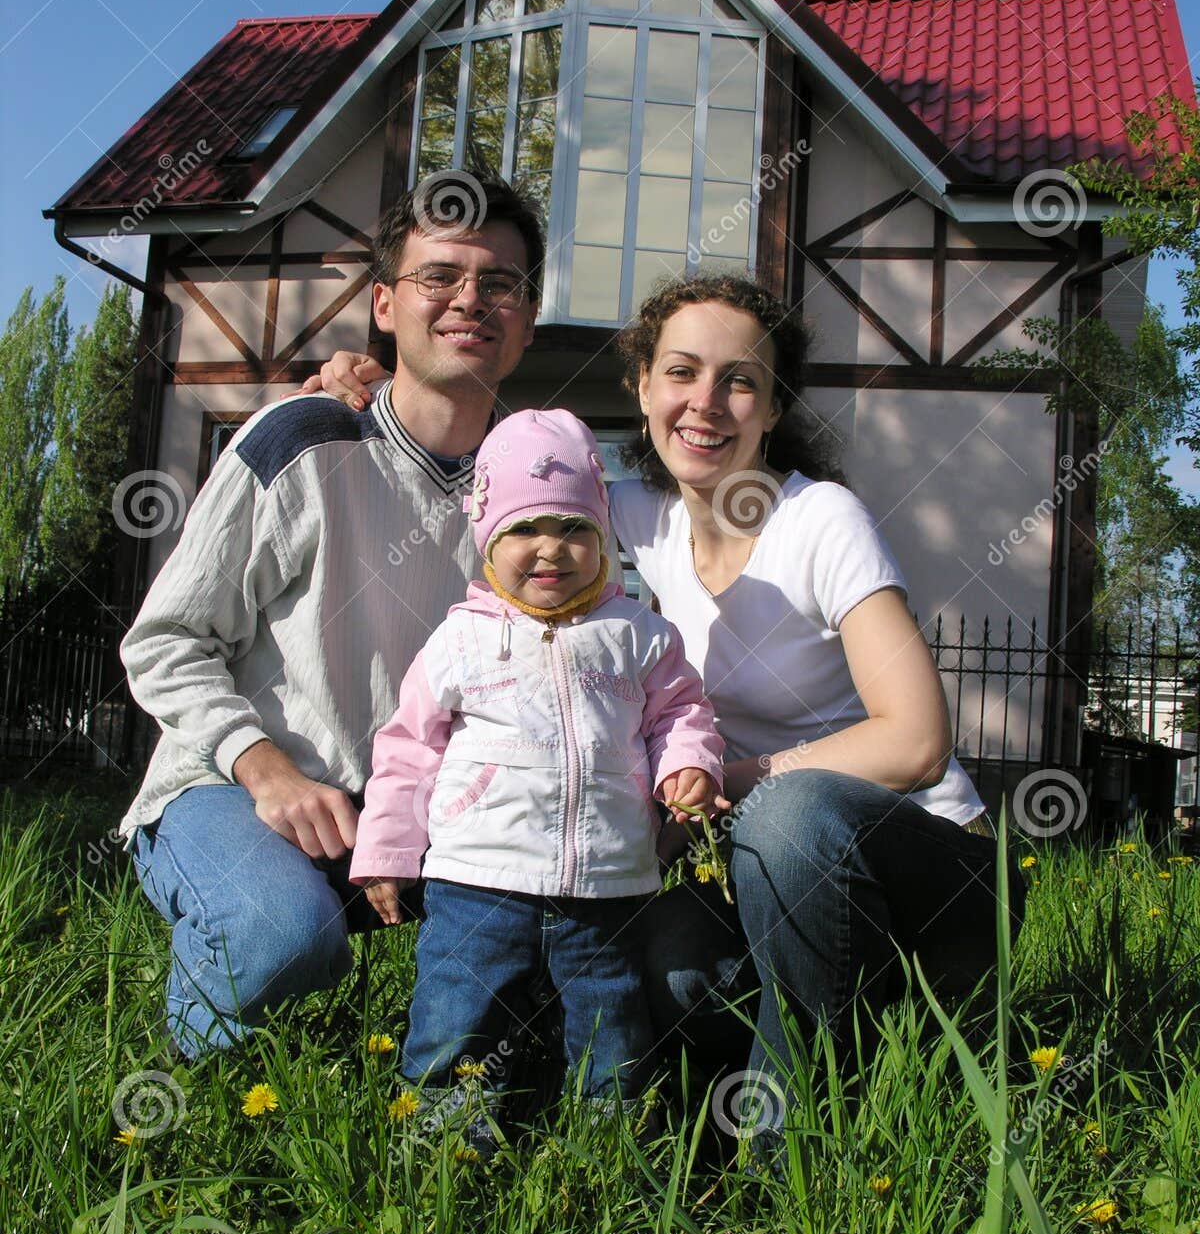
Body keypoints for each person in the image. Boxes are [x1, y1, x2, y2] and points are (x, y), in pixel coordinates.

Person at [315, 270, 1024, 1091]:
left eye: (742, 381)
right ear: (642, 385)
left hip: (932, 881)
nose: (707, 402)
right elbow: (513, 486)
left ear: (776, 406)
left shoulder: (820, 520)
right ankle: (866, 1036)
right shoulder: (624, 521)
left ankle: (794, 1139)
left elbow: (917, 742)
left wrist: (725, 781)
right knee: (666, 973)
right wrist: (383, 394)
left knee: (791, 815)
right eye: (682, 372)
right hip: (770, 873)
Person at [119, 173, 545, 1061]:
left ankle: (456, 1114)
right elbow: (166, 642)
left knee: (567, 941)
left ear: (527, 316)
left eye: (498, 282)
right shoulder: (304, 439)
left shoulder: (534, 490)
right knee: (285, 936)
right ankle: (198, 1100)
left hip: (420, 820)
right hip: (232, 787)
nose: (470, 300)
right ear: (385, 304)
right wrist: (268, 771)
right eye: (440, 277)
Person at [348, 408, 723, 1136]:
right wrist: (388, 855)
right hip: (476, 882)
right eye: (523, 529)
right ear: (488, 539)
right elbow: (407, 752)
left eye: (575, 528)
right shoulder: (460, 638)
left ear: (604, 536)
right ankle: (443, 1142)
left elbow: (682, 714)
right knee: (458, 1009)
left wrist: (688, 765)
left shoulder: (639, 637)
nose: (551, 548)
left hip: (607, 887)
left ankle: (609, 1147)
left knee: (612, 1018)